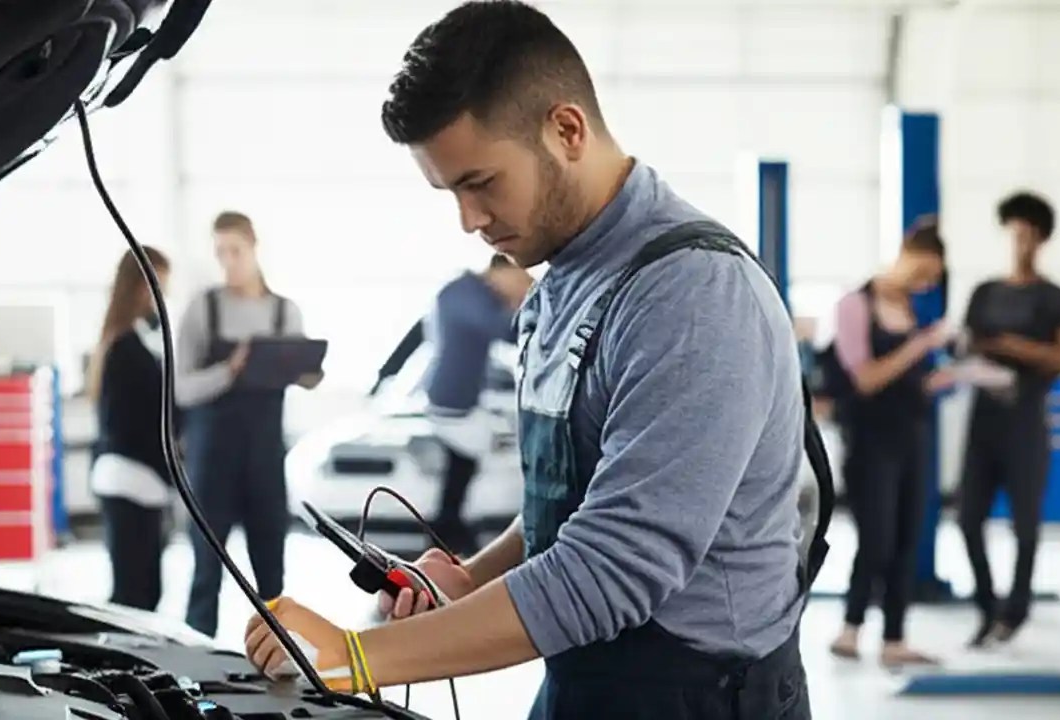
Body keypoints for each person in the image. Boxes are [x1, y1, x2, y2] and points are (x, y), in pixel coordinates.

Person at [244, 3, 814, 717]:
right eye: (450, 192)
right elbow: (584, 504)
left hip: (697, 697)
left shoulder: (692, 296)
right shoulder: (560, 285)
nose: (469, 220)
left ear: (566, 129)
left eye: (481, 182)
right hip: (586, 681)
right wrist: (470, 581)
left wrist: (359, 657)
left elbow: (615, 564)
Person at [177, 211, 323, 638]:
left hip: (264, 457)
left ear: (254, 248)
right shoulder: (202, 309)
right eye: (220, 252)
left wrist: (307, 374)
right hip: (212, 459)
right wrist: (230, 369)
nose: (228, 262)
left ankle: (278, 658)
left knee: (271, 573)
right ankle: (194, 662)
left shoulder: (285, 313)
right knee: (207, 569)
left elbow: (304, 374)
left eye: (235, 251)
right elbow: (182, 390)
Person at [826, 219, 953, 666]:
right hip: (870, 439)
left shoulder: (910, 309)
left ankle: (895, 639)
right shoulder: (854, 304)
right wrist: (920, 346)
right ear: (908, 253)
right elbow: (867, 378)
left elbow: (910, 382)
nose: (926, 284)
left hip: (912, 436)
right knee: (875, 537)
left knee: (906, 538)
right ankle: (850, 629)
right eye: (925, 272)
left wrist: (952, 377)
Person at [958, 191, 1060, 647]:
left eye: (1029, 236)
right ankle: (987, 607)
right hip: (983, 419)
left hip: (1026, 420)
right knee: (969, 519)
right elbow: (968, 342)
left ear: (1041, 240)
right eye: (1015, 234)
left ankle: (1017, 609)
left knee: (1026, 524)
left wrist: (1009, 345)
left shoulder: (1055, 299)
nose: (1020, 243)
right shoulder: (985, 292)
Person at [423, 253, 532, 554]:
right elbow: (508, 330)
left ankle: (447, 535)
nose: (523, 289)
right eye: (521, 280)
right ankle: (450, 534)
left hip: (455, 397)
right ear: (502, 269)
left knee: (460, 470)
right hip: (451, 400)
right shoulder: (466, 293)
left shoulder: (468, 292)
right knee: (478, 455)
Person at [87, 246, 173, 612]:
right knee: (135, 597)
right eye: (160, 287)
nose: (163, 298)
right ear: (140, 287)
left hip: (130, 478)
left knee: (138, 590)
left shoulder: (125, 342)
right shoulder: (127, 349)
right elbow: (133, 423)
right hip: (132, 477)